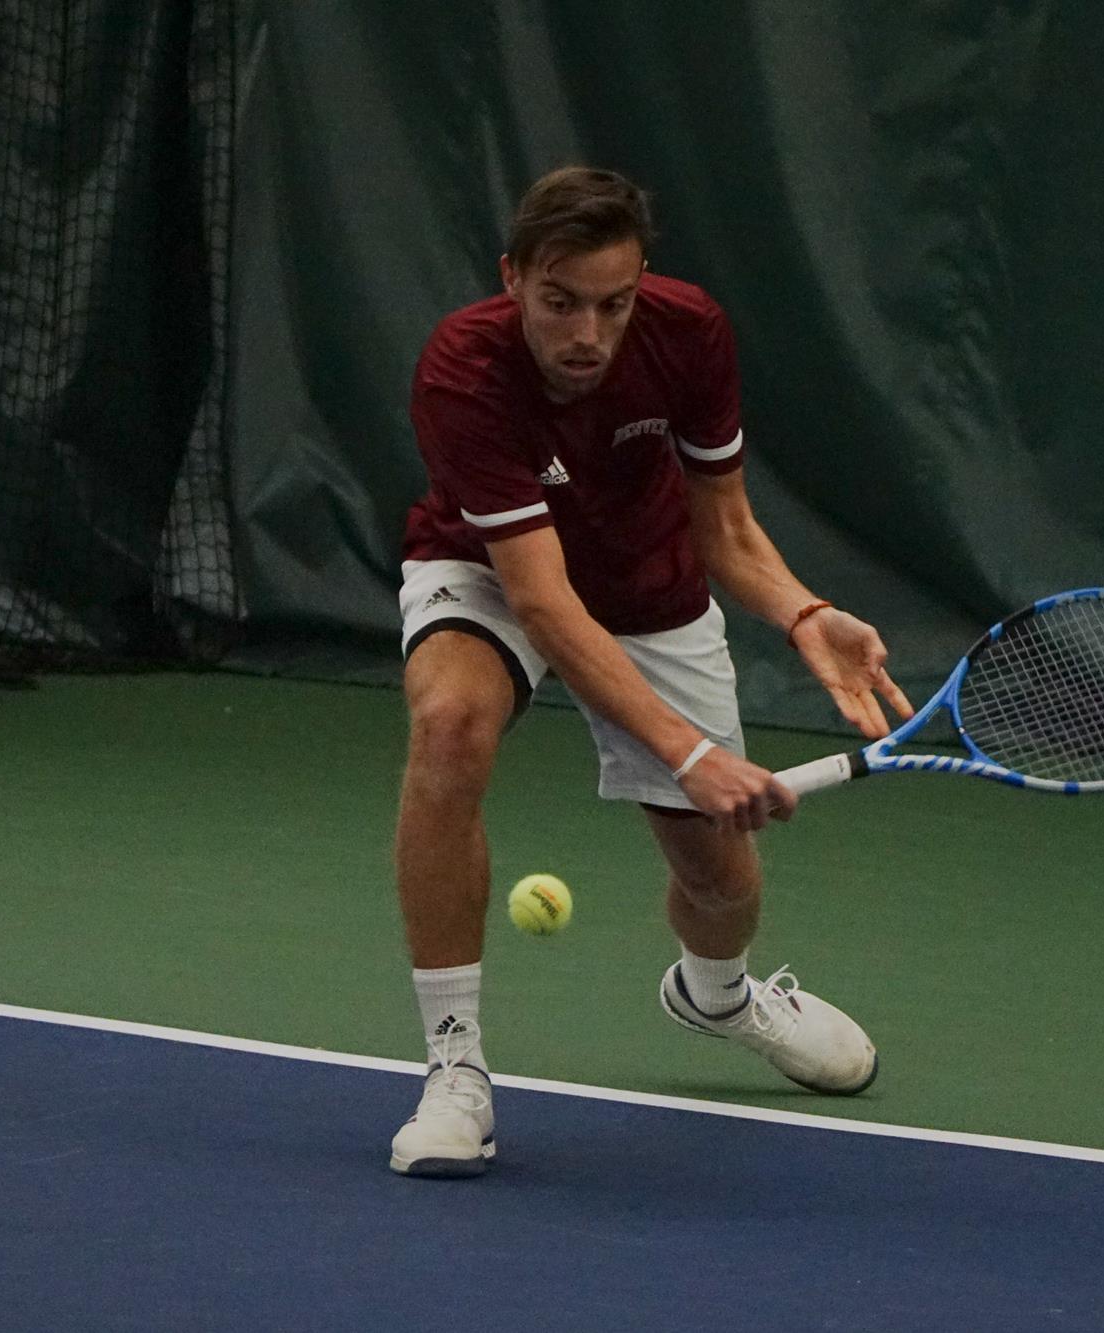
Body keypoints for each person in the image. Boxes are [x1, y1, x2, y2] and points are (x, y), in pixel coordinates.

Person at [389, 166, 913, 1177]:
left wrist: (802, 610)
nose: (587, 332)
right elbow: (542, 601)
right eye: (560, 302)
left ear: (641, 286)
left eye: (613, 303)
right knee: (450, 725)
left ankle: (716, 994)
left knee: (720, 879)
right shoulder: (462, 368)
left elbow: (725, 525)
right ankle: (454, 1067)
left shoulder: (687, 331)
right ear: (512, 279)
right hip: (493, 570)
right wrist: (688, 751)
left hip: (646, 578)